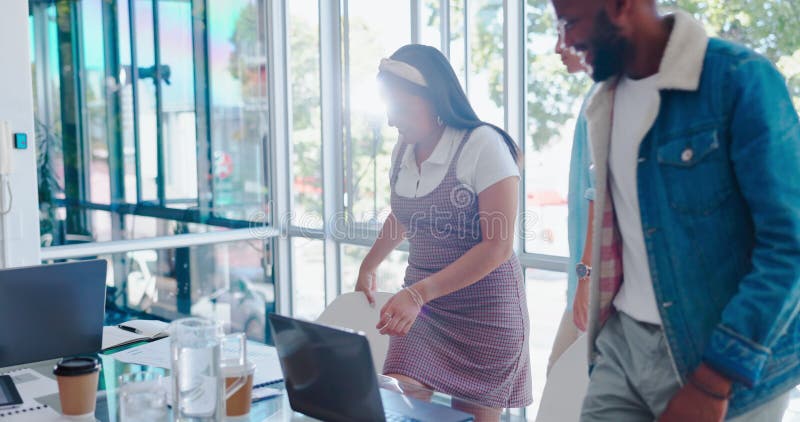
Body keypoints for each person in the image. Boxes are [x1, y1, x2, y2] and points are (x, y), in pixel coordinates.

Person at [551, 0, 800, 420]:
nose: (564, 42)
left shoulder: (739, 80)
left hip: (719, 362)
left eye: (570, 22)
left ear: (621, 6)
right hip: (622, 348)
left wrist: (714, 377)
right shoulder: (603, 100)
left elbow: (789, 243)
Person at [355, 44, 531, 421]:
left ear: (433, 99)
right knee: (396, 408)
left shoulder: (483, 144)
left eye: (399, 109)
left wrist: (418, 294)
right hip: (426, 312)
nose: (391, 121)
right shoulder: (404, 149)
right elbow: (405, 214)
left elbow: (497, 246)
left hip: (485, 311)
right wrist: (369, 265)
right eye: (388, 108)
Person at [546, 29, 597, 374]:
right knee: (559, 379)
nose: (556, 48)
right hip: (586, 285)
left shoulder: (606, 99)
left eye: (566, 32)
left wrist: (586, 280)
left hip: (595, 286)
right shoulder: (596, 96)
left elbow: (601, 193)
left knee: (561, 385)